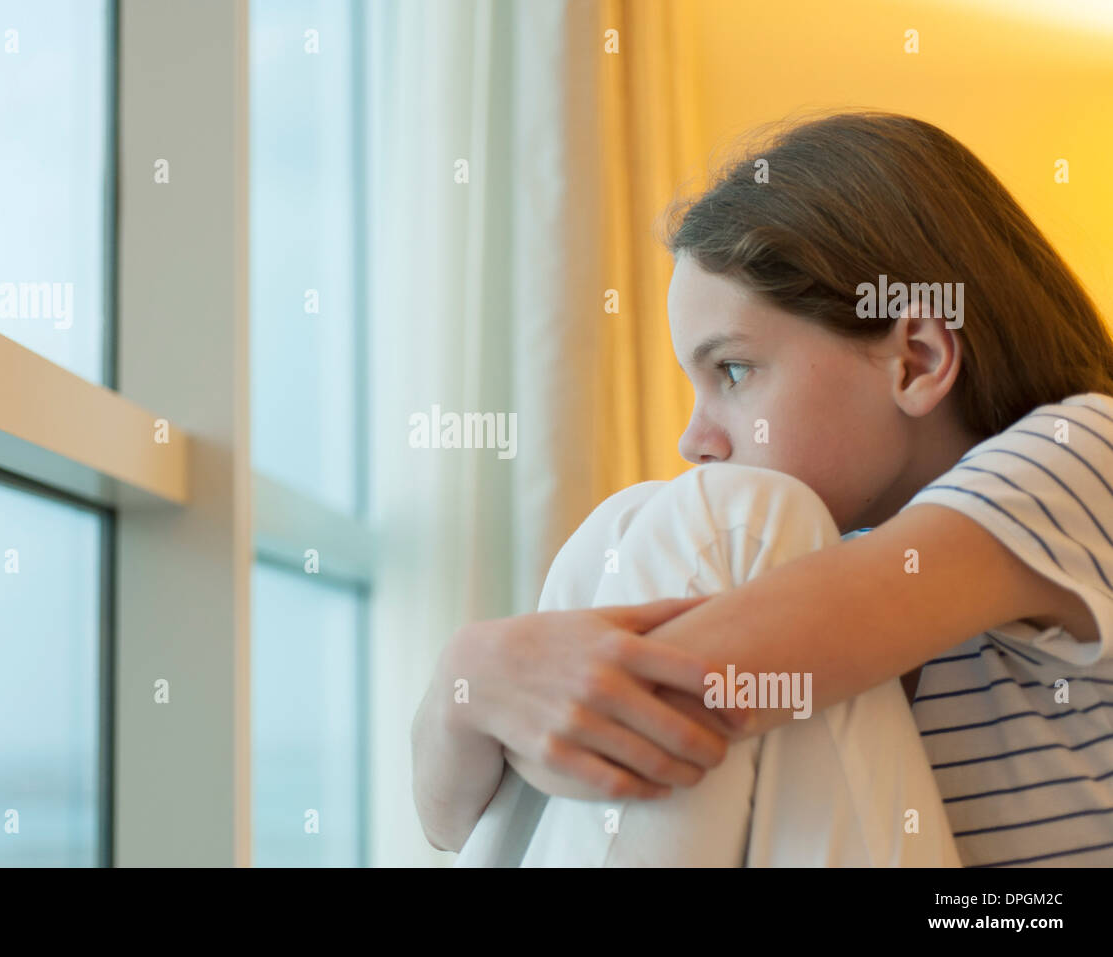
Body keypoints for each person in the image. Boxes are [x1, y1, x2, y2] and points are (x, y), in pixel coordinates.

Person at [410, 110, 1113, 867]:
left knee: (718, 518)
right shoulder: (835, 552)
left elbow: (644, 713)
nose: (695, 439)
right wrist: (468, 671)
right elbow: (458, 824)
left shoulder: (1082, 454)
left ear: (914, 358)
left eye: (733, 371)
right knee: (628, 523)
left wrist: (492, 688)